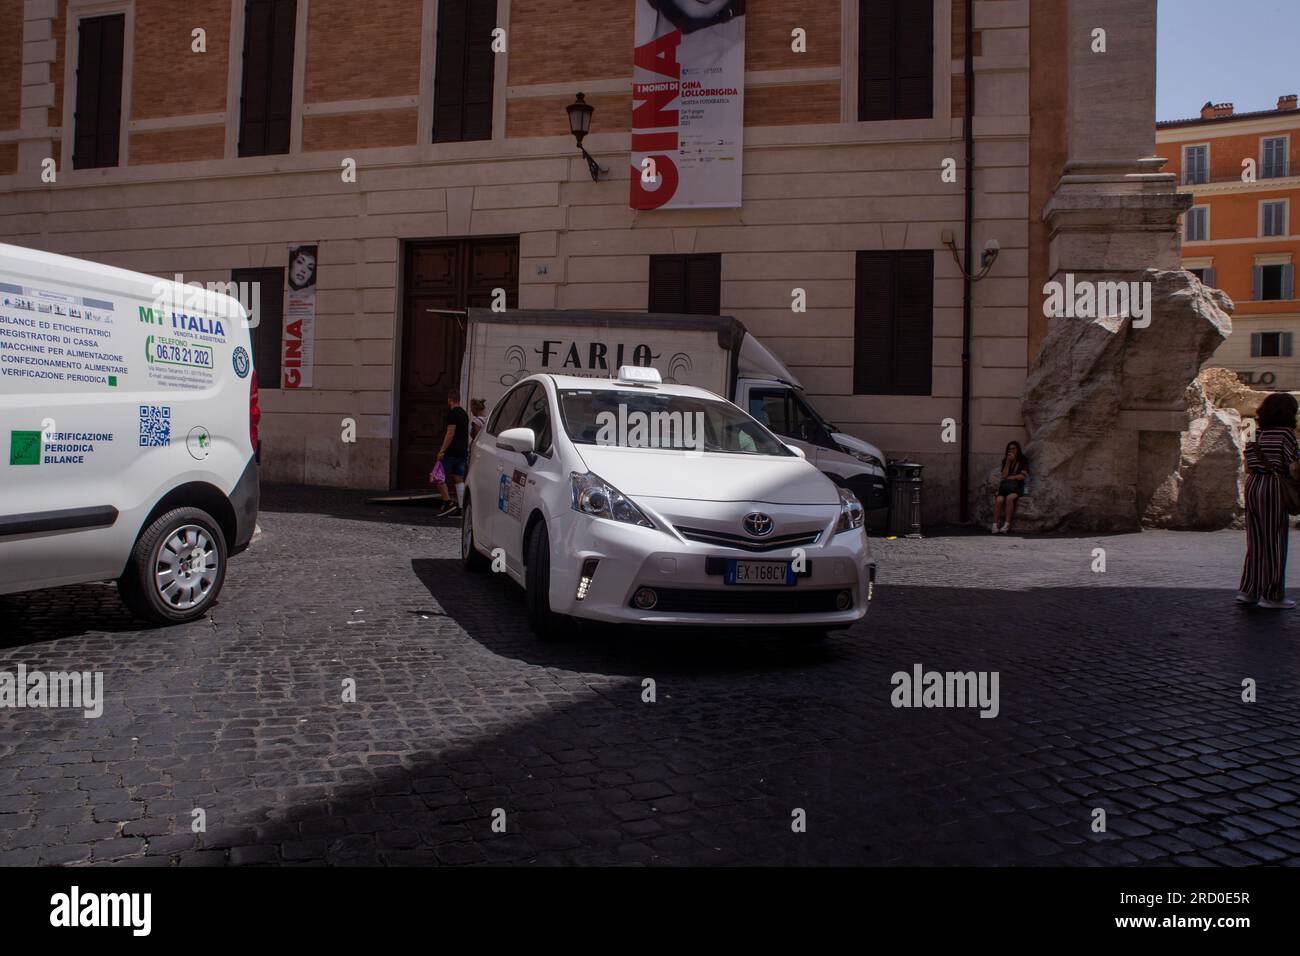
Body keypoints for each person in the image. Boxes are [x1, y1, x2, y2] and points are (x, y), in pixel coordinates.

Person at [1238, 392, 1300, 609]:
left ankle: (1249, 590)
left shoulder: (1252, 430)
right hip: (1273, 488)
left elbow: (1247, 461)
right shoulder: (1287, 434)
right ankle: (1272, 595)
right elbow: (1293, 466)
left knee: (1255, 541)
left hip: (1253, 484)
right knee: (1274, 541)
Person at [435, 390, 470, 518]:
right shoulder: (464, 414)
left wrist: (442, 450)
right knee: (458, 479)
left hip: (451, 452)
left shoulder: (452, 414)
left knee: (438, 476)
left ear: (450, 400)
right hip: (461, 452)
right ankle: (461, 509)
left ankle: (448, 502)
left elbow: (450, 433)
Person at [992, 441, 1029, 534]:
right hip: (1005, 487)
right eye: (1009, 449)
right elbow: (1004, 476)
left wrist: (1011, 477)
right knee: (999, 500)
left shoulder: (1023, 460)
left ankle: (1007, 524)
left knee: (1009, 499)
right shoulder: (1005, 460)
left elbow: (1023, 476)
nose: (1012, 450)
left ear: (1018, 449)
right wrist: (1008, 462)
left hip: (1017, 486)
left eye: (1014, 448)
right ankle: (995, 524)